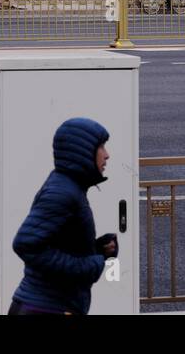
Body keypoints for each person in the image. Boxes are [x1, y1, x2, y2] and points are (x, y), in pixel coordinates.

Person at [9, 117, 117, 315]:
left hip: (51, 306)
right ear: (82, 151)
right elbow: (26, 244)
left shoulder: (70, 186)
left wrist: (97, 250)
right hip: (45, 308)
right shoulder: (62, 192)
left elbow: (58, 242)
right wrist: (89, 265)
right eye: (101, 147)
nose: (107, 155)